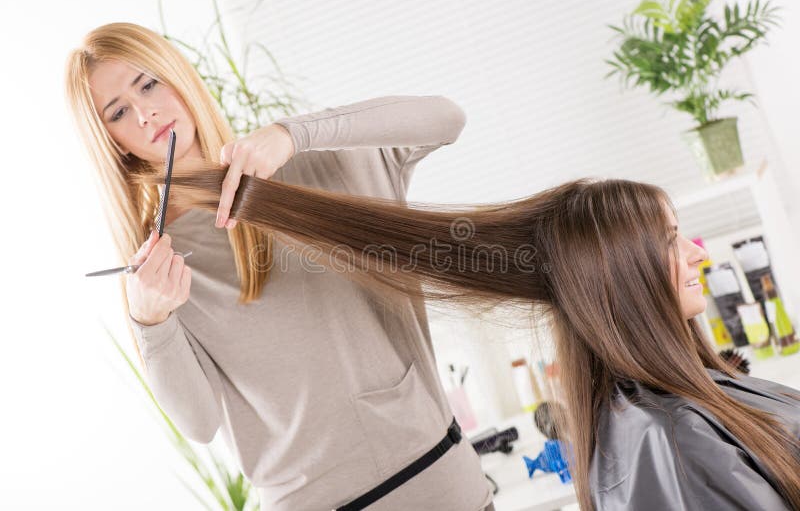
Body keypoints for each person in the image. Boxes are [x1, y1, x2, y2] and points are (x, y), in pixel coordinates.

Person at [151, 165, 800, 510]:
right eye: (667, 241)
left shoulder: (668, 417)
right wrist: (148, 320)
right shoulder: (669, 440)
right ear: (619, 276)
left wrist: (290, 135)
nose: (694, 253)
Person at [65, 22, 495, 511]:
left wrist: (293, 134)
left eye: (148, 83)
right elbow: (200, 424)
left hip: (444, 484)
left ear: (178, 75)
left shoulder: (309, 166)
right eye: (119, 112)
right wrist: (150, 322)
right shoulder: (156, 276)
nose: (145, 113)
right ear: (112, 141)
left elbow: (446, 118)